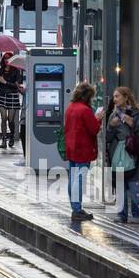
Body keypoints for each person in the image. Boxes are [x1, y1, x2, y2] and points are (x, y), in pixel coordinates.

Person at [105, 86, 139, 224]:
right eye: (114, 96)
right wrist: (111, 126)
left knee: (134, 183)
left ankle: (138, 214)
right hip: (117, 154)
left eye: (117, 96)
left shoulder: (137, 114)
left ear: (126, 97)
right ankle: (121, 213)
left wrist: (132, 123)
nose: (114, 99)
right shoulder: (113, 115)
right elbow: (108, 138)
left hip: (133, 154)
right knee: (120, 184)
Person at [63, 81, 99, 222]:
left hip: (72, 147)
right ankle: (77, 209)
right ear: (87, 96)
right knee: (79, 179)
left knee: (73, 177)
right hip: (83, 149)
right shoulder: (85, 110)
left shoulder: (71, 107)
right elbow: (94, 129)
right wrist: (99, 119)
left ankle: (75, 207)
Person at [0, 52, 25, 152]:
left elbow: (17, 86)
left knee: (10, 120)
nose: (6, 60)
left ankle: (11, 135)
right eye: (5, 59)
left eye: (8, 58)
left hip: (12, 96)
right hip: (2, 95)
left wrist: (5, 82)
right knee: (3, 118)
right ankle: (4, 139)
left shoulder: (16, 71)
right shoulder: (1, 70)